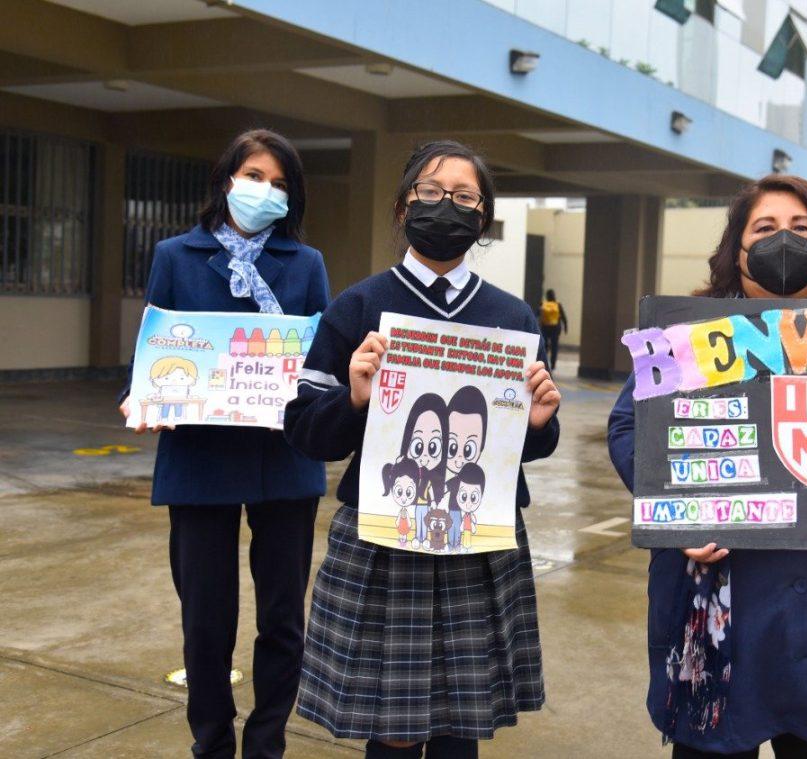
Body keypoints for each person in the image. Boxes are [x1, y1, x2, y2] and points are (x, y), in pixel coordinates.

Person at [607, 175, 807, 759]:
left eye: (802, 228)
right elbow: (630, 428)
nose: (785, 241)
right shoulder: (688, 338)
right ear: (738, 249)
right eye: (766, 229)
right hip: (721, 613)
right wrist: (677, 514)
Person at [283, 140, 561, 759]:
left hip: (477, 536)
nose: (447, 206)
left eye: (464, 197)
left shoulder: (513, 319)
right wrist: (352, 401)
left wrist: (539, 423)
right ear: (404, 206)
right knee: (395, 726)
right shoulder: (356, 306)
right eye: (431, 193)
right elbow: (303, 425)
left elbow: (528, 446)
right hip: (386, 534)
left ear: (482, 216)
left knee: (461, 721)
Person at [118, 129, 330, 758]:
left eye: (281, 183)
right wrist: (144, 397)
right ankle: (211, 744)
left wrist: (320, 396)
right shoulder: (175, 256)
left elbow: (319, 364)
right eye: (255, 176)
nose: (266, 191)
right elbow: (154, 353)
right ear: (227, 179)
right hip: (199, 459)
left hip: (282, 460)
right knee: (206, 622)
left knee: (283, 622)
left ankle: (266, 743)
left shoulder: (306, 263)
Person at [537, 288, 567, 370]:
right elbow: (563, 317)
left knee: (544, 346)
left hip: (545, 328)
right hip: (555, 329)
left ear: (547, 296)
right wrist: (566, 327)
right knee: (554, 347)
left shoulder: (542, 304)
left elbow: (537, 314)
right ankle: (553, 364)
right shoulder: (558, 305)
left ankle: (543, 363)